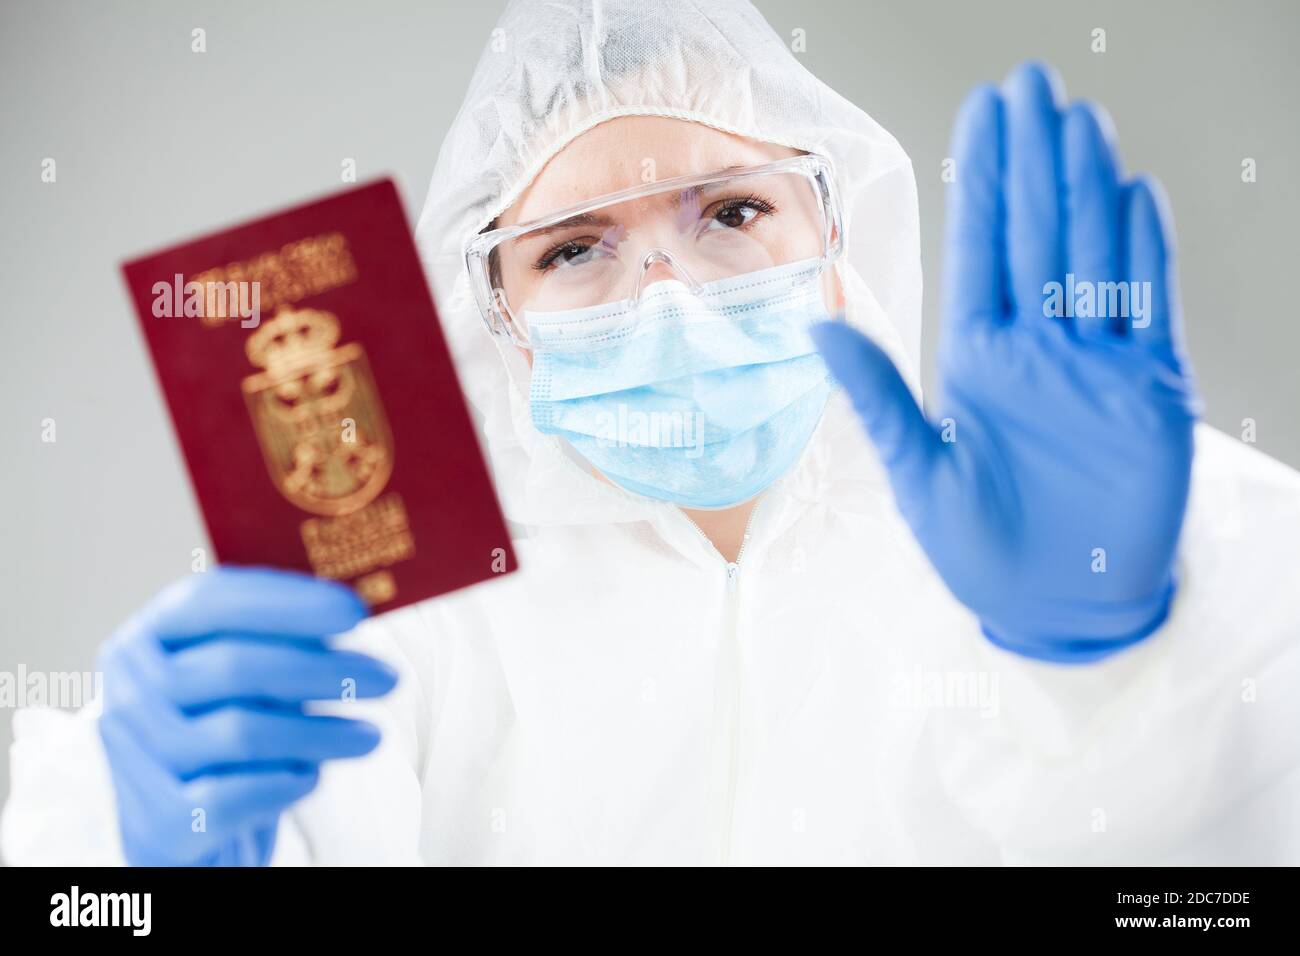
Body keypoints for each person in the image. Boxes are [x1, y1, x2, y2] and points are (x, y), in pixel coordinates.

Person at [4, 0, 1299, 866]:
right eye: (574, 249)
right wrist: (125, 855)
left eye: (731, 213)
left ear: (834, 237)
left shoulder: (1042, 510)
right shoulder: (404, 606)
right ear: (499, 318)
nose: (668, 293)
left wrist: (1117, 657)